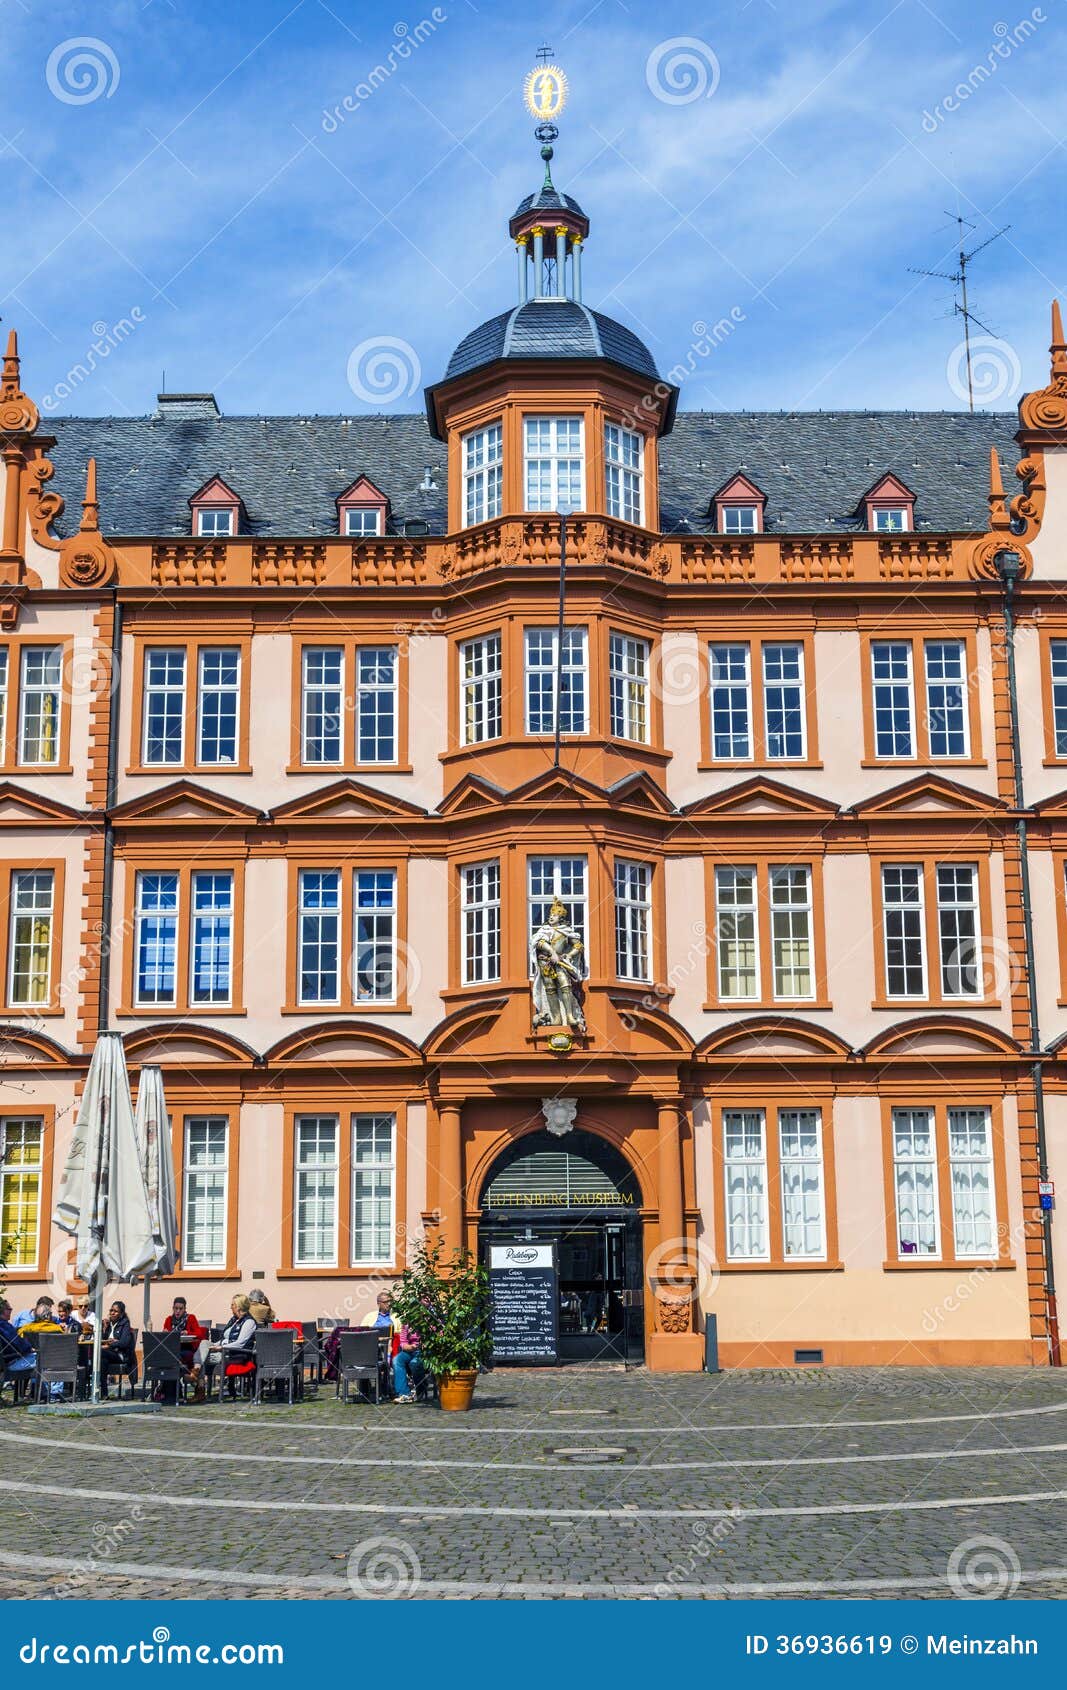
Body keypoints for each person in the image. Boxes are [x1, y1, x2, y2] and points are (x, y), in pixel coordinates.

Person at [163, 1297, 208, 1401]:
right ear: (173, 1308)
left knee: (197, 1356)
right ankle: (189, 1384)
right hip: (173, 1349)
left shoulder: (190, 1318)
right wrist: (165, 1332)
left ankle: (193, 1380)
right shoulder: (169, 1319)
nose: (178, 1311)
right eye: (176, 1308)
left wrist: (188, 1332)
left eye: (180, 1308)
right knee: (169, 1357)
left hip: (188, 1348)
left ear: (185, 1309)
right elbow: (165, 1334)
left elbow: (199, 1334)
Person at [216, 1295, 257, 1398]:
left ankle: (197, 1383)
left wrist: (222, 1348)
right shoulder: (234, 1320)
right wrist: (214, 1345)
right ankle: (196, 1376)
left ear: (239, 1307)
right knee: (203, 1345)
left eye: (232, 1305)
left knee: (202, 1358)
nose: (231, 1307)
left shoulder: (249, 1322)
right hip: (225, 1351)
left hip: (236, 1355)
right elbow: (225, 1338)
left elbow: (240, 1343)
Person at [98, 1301, 136, 1396]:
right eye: (111, 1310)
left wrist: (110, 1345)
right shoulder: (108, 1324)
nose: (112, 1313)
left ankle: (103, 1391)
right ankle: (104, 1393)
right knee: (102, 1360)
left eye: (115, 1311)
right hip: (108, 1354)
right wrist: (104, 1329)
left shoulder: (125, 1323)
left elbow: (124, 1343)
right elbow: (102, 1340)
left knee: (101, 1353)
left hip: (121, 1355)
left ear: (121, 1314)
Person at [0, 1299, 36, 1392]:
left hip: (6, 1361)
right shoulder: (4, 1326)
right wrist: (29, 1348)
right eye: (9, 1309)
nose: (11, 1311)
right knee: (44, 1360)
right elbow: (19, 1344)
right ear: (3, 1310)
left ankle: (23, 1393)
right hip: (10, 1363)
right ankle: (46, 1394)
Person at [392, 1323, 426, 1403]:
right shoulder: (406, 1323)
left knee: (414, 1363)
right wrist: (411, 1347)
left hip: (424, 1352)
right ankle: (404, 1394)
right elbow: (403, 1343)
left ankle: (420, 1389)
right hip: (410, 1350)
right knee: (396, 1360)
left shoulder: (428, 1320)